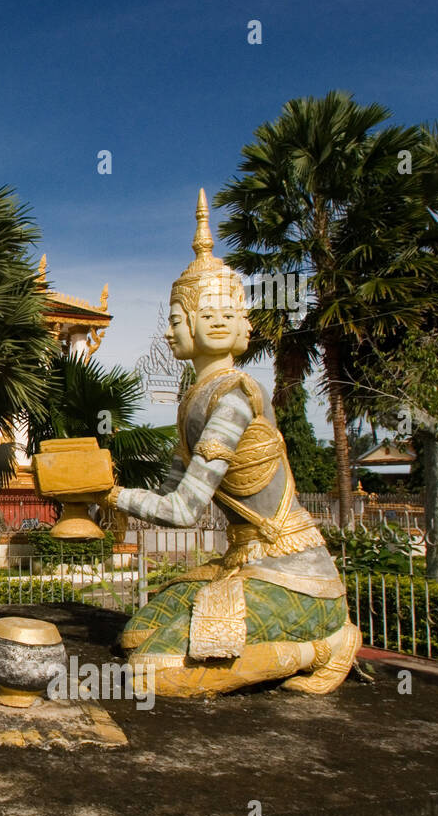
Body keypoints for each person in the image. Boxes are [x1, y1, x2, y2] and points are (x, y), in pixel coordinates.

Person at [94, 191, 359, 697]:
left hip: (293, 576)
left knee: (151, 673)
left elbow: (184, 509)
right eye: (181, 317)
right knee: (134, 636)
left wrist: (108, 495)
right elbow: (171, 496)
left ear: (240, 321)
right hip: (242, 564)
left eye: (222, 310)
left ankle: (326, 645)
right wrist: (104, 490)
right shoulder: (190, 403)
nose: (204, 323)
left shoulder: (238, 395)